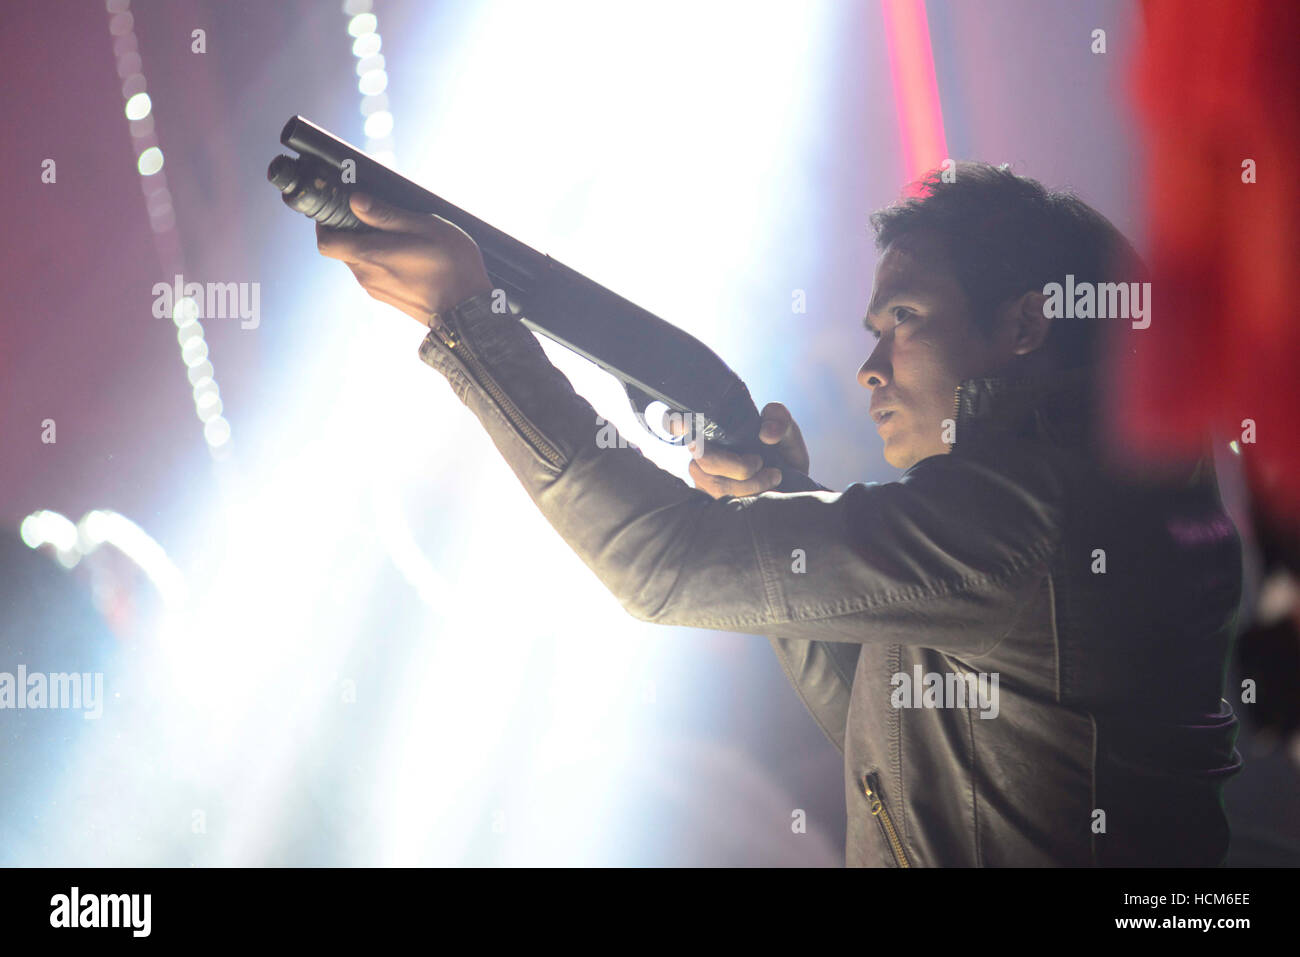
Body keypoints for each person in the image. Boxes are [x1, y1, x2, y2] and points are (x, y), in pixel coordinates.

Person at [315, 162, 1243, 866]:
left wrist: (471, 321)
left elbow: (660, 566)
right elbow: (898, 752)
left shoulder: (1027, 514)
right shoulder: (1087, 495)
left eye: (906, 316)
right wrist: (783, 502)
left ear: (1026, 327)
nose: (871, 365)